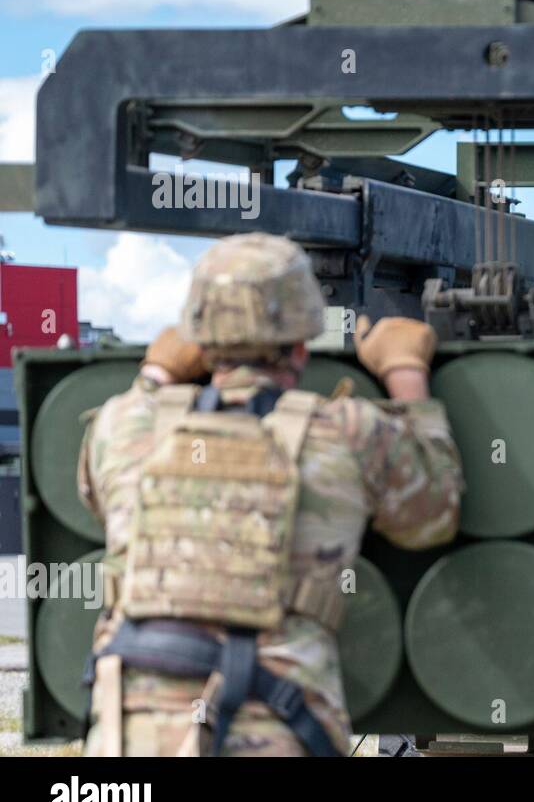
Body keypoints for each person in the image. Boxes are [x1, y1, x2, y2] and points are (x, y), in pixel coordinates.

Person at [77, 233, 463, 756]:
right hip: (277, 726)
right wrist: (406, 372)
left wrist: (156, 373)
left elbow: (97, 495)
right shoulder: (348, 432)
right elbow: (432, 515)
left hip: (127, 732)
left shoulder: (127, 424)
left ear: (198, 334)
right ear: (303, 339)